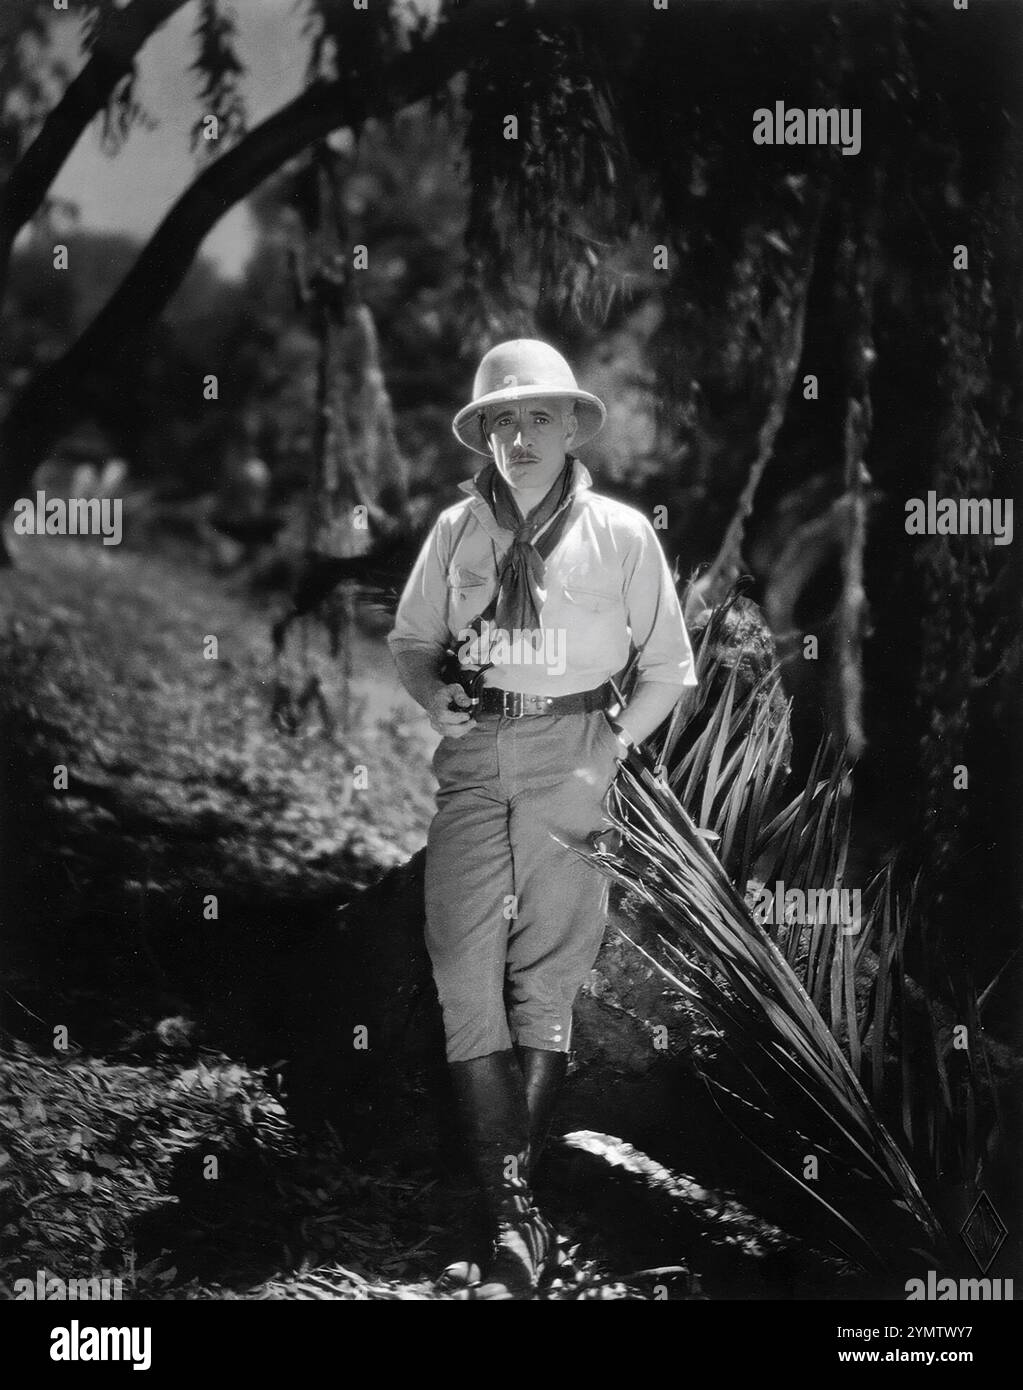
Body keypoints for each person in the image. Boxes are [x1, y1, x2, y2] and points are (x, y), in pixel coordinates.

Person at [387, 339, 697, 1298]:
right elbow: (412, 640)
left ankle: (512, 1221)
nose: (516, 437)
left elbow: (668, 667)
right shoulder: (456, 533)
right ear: (481, 434)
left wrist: (613, 748)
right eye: (499, 421)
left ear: (569, 428)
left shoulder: (618, 533)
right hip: (476, 759)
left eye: (536, 418)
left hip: (575, 753)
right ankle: (516, 1211)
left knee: (549, 974)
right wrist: (433, 699)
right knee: (459, 962)